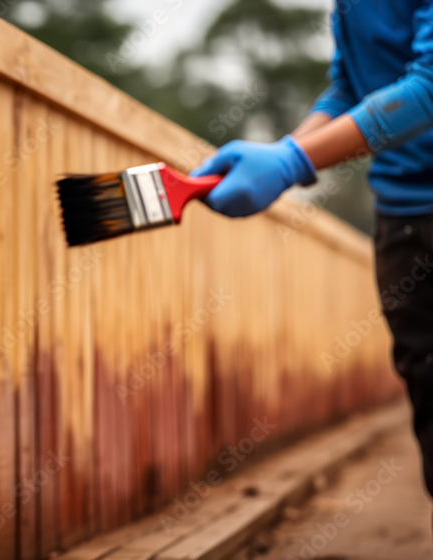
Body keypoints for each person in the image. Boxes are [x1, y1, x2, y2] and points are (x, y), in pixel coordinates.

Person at [191, 0, 433, 500]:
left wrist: (294, 162)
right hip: (402, 216)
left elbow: (429, 87)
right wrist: (285, 152)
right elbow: (351, 87)